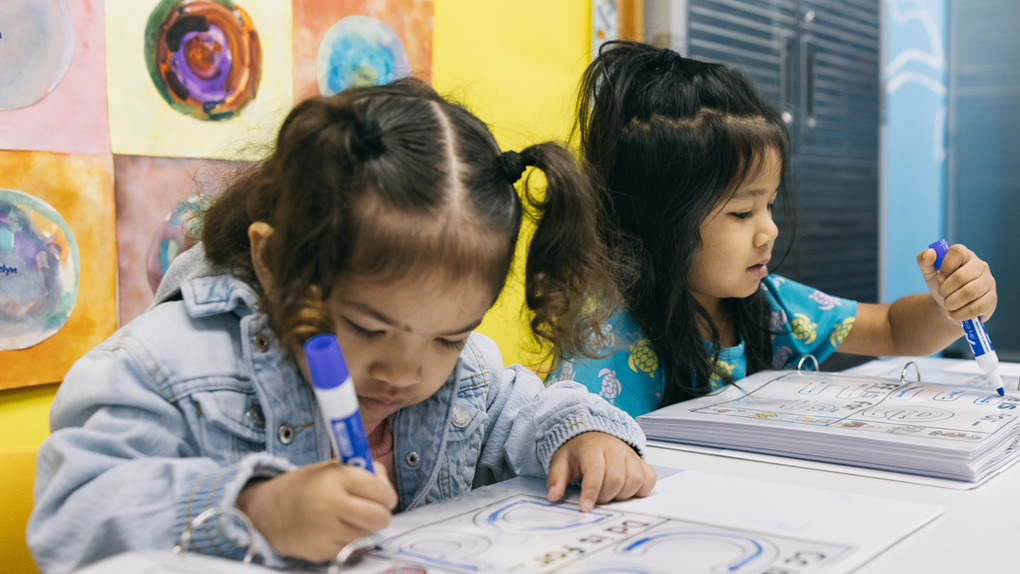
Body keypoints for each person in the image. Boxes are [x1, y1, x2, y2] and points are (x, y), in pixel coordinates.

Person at [28, 78, 656, 573]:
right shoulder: (170, 365)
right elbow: (71, 514)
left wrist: (583, 436)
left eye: (448, 337)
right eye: (366, 328)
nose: (406, 371)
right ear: (274, 263)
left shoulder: (459, 376)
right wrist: (255, 508)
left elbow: (529, 411)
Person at [546, 41, 998, 418]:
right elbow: (561, 432)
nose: (770, 231)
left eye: (771, 203)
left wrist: (948, 308)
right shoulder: (607, 341)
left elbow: (893, 329)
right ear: (657, 221)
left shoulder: (770, 307)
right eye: (743, 213)